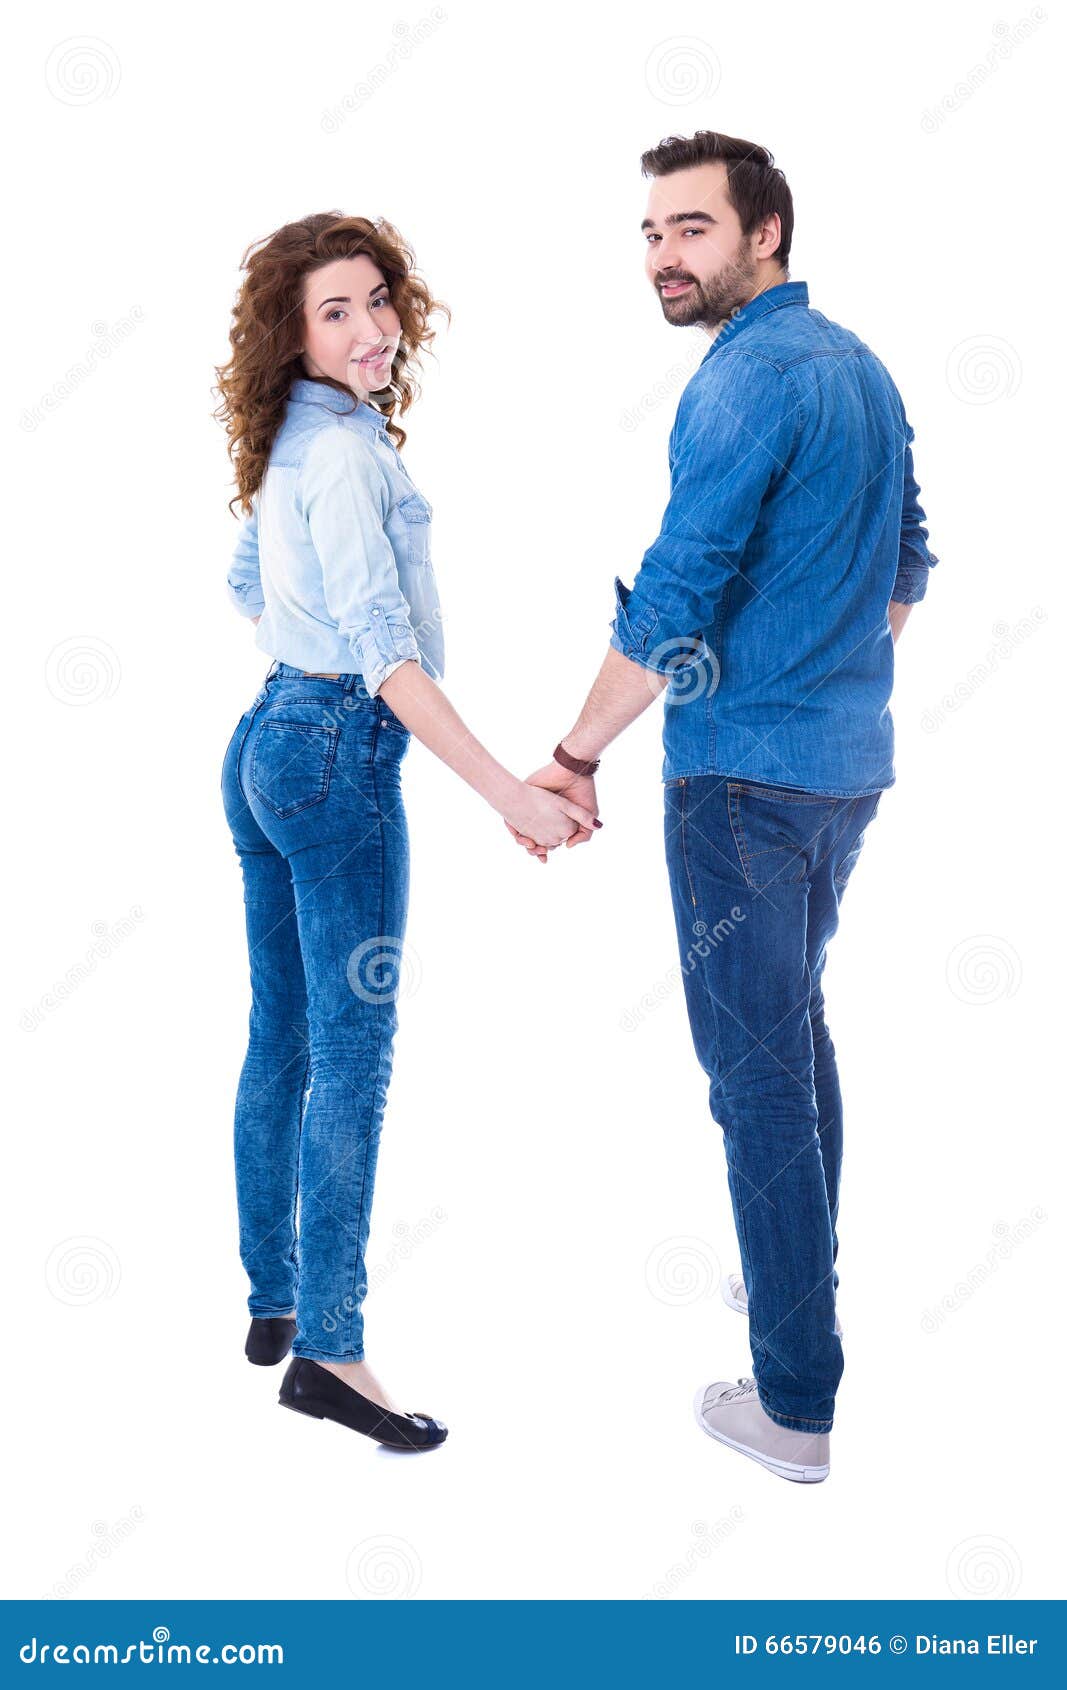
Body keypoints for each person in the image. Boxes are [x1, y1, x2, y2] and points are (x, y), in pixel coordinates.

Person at [508, 131, 939, 1483]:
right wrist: (821, 662)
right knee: (790, 1030)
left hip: (741, 783)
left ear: (763, 233)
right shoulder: (858, 367)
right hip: (838, 767)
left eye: (689, 228)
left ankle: (793, 1404)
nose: (660, 257)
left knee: (750, 1076)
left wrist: (571, 754)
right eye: (647, 233)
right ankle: (787, 1280)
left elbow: (676, 592)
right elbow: (904, 568)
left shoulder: (745, 378)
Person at [217, 212, 596, 1452]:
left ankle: (272, 1298)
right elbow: (385, 655)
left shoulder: (299, 436)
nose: (372, 327)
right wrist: (510, 793)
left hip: (266, 743)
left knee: (284, 1033)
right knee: (353, 1059)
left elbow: (246, 584)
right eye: (335, 311)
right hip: (331, 760)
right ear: (292, 332)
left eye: (377, 299)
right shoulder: (339, 457)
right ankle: (328, 1348)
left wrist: (301, 679)